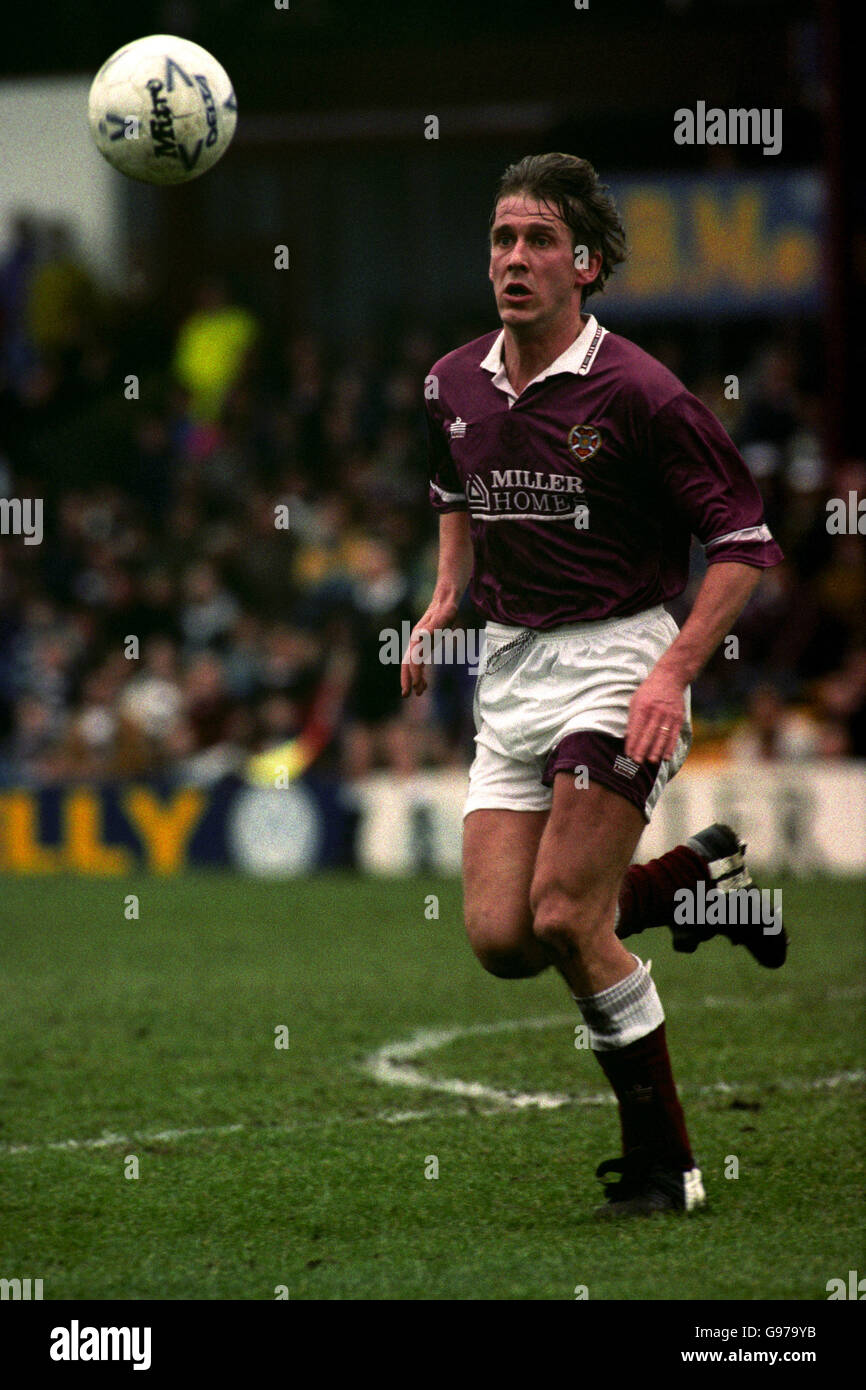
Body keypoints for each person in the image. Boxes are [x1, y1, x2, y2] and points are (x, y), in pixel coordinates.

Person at [401, 153, 787, 1218]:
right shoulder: (450, 380)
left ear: (588, 264)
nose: (512, 259)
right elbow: (452, 485)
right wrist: (444, 594)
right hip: (512, 666)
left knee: (567, 911)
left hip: (618, 658)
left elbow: (745, 541)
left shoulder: (642, 392)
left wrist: (670, 670)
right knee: (502, 938)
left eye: (535, 242)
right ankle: (681, 888)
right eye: (498, 239)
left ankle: (665, 1164)